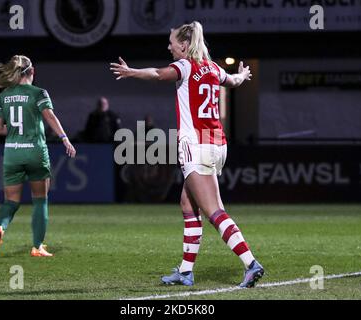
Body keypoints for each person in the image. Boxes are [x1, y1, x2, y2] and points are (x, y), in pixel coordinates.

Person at [110, 21, 264, 288]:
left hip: (197, 145)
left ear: (184, 45)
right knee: (187, 205)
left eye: (172, 43)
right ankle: (185, 271)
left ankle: (251, 264)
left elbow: (158, 74)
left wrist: (131, 72)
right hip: (217, 143)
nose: (169, 47)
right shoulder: (214, 68)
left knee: (215, 211)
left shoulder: (185, 66)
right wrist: (243, 75)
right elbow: (234, 81)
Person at [0, 55, 76, 257]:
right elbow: (50, 116)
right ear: (32, 71)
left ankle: (1, 227)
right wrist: (64, 138)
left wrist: (15, 131)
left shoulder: (3, 96)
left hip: (12, 154)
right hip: (35, 152)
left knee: (10, 202)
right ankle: (37, 246)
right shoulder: (38, 93)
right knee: (40, 200)